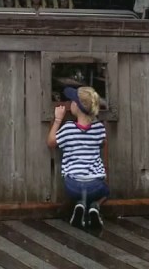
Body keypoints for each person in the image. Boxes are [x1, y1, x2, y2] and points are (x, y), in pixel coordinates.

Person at [48, 85, 109, 231]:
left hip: (73, 186)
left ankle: (79, 205)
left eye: (72, 101)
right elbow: (103, 143)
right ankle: (94, 206)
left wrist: (58, 119)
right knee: (106, 193)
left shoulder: (68, 128)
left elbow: (51, 143)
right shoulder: (99, 128)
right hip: (95, 186)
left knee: (78, 191)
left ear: (76, 106)